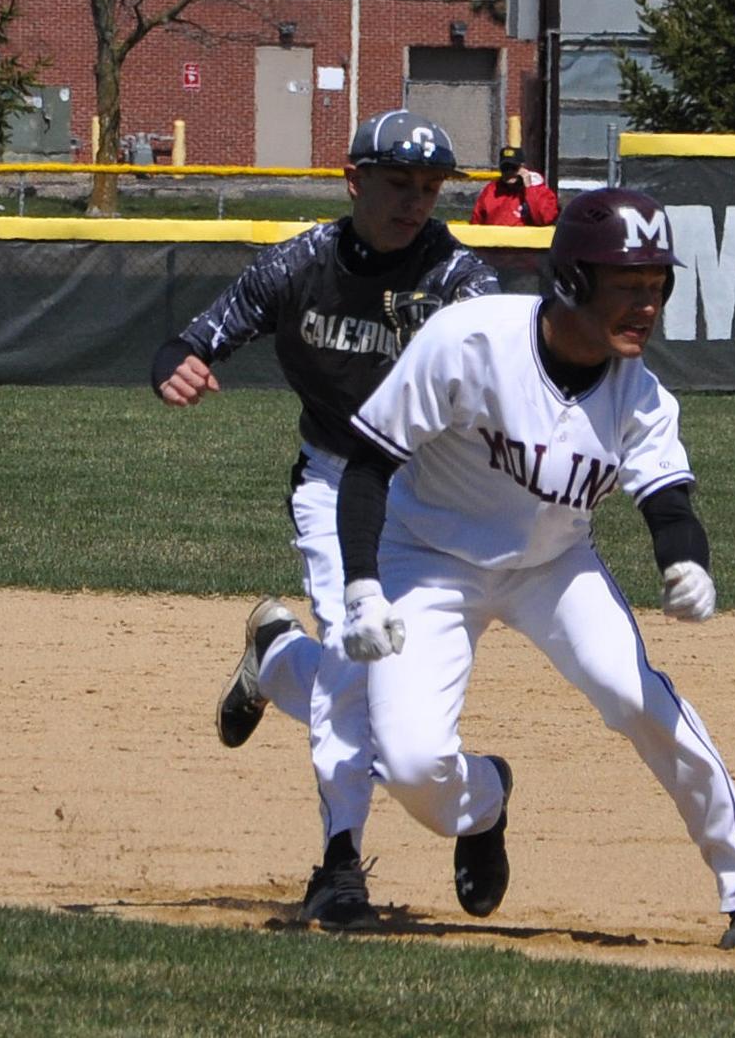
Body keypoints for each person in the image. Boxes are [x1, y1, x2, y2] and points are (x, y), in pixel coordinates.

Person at [335, 186, 735, 949]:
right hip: (428, 556)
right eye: (629, 286)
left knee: (638, 698)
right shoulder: (469, 342)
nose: (648, 305)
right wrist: (362, 586)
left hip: (554, 565)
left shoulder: (640, 396)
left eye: (657, 286)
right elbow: (369, 464)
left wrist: (687, 565)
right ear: (573, 279)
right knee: (411, 766)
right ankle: (485, 802)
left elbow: (668, 504)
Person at [151, 109, 501, 930]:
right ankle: (340, 865)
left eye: (430, 187)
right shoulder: (299, 264)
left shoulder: (458, 279)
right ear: (353, 181)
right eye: (397, 183)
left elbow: (511, 366)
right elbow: (197, 336)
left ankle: (278, 661)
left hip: (434, 494)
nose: (416, 201)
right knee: (353, 662)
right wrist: (178, 364)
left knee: (382, 691)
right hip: (335, 480)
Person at [469, 146, 559, 227]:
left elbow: (544, 219)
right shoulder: (491, 190)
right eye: (505, 168)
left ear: (523, 168)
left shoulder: (540, 191)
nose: (509, 172)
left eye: (513, 168)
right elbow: (476, 223)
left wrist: (529, 188)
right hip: (495, 239)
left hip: (526, 239)